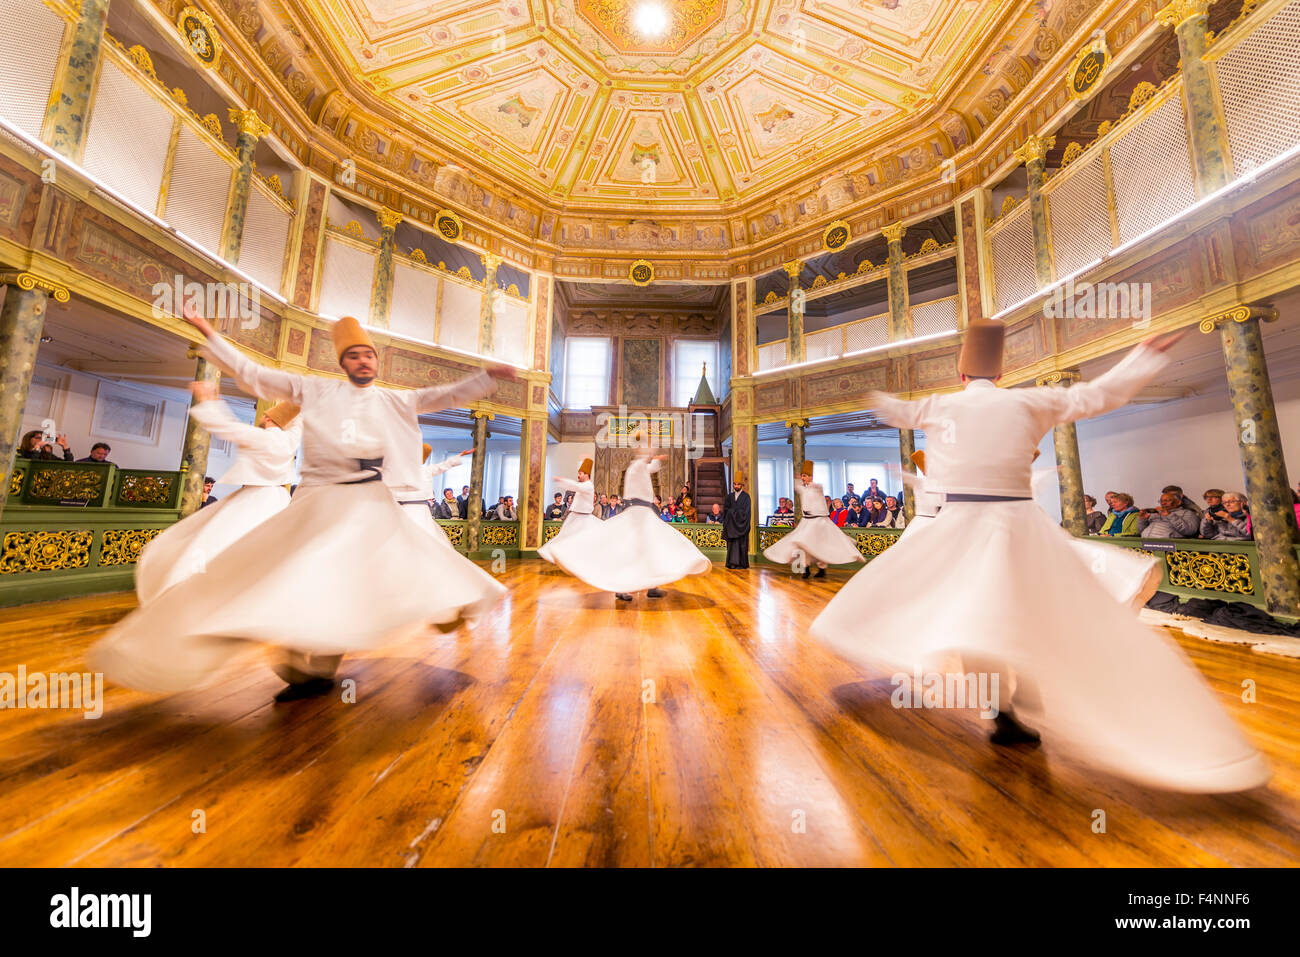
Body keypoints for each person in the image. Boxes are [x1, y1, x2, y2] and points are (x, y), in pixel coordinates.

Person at [812, 321, 1268, 792]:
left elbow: (892, 410)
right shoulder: (1027, 400)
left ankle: (1001, 709)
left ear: (961, 374)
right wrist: (1144, 356)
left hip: (959, 526)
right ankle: (1027, 695)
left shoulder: (938, 405)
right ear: (1002, 369)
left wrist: (856, 376)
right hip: (1019, 524)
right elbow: (1098, 397)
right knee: (1035, 610)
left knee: (973, 619)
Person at [90, 307, 514, 701]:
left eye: (370, 355)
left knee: (377, 573)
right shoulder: (316, 391)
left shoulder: (393, 400)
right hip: (318, 501)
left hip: (370, 503)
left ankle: (438, 607)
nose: (365, 362)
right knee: (299, 578)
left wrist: (486, 377)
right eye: (356, 356)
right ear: (343, 363)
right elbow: (255, 375)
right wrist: (210, 336)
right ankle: (305, 667)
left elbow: (444, 396)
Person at [134, 385, 302, 605]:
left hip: (254, 497)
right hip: (278, 499)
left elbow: (226, 427)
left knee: (215, 542)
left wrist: (208, 400)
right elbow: (300, 424)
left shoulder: (259, 437)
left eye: (265, 415)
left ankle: (196, 594)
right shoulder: (290, 440)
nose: (262, 416)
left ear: (271, 420)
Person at [542, 432, 710, 601]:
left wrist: (657, 459)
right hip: (637, 514)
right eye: (645, 449)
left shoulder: (640, 466)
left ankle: (651, 586)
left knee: (650, 547)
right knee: (632, 548)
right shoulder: (636, 467)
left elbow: (650, 466)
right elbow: (647, 464)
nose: (648, 452)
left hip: (645, 514)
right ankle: (623, 587)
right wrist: (653, 456)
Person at [763, 460, 864, 578]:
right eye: (802, 476)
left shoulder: (817, 487)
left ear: (811, 477)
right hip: (807, 521)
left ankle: (822, 569)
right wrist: (798, 476)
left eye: (805, 476)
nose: (803, 478)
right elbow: (797, 485)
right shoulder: (803, 489)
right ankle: (806, 568)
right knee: (804, 544)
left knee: (820, 545)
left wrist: (809, 478)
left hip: (820, 521)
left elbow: (817, 486)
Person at [538, 457, 599, 565]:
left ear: (586, 475)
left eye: (580, 473)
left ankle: (572, 561)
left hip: (582, 518)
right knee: (564, 538)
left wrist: (561, 480)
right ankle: (557, 557)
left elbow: (575, 485)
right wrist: (582, 461)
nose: (578, 475)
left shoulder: (588, 486)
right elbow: (577, 483)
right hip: (575, 516)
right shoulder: (583, 484)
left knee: (575, 541)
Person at [722, 470, 751, 569]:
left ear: (742, 485)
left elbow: (746, 513)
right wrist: (731, 513)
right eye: (735, 484)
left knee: (741, 545)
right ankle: (731, 563)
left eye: (738, 484)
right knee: (732, 545)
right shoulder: (729, 497)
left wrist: (732, 513)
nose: (736, 486)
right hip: (731, 527)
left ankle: (741, 564)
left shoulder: (746, 497)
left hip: (741, 527)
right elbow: (726, 510)